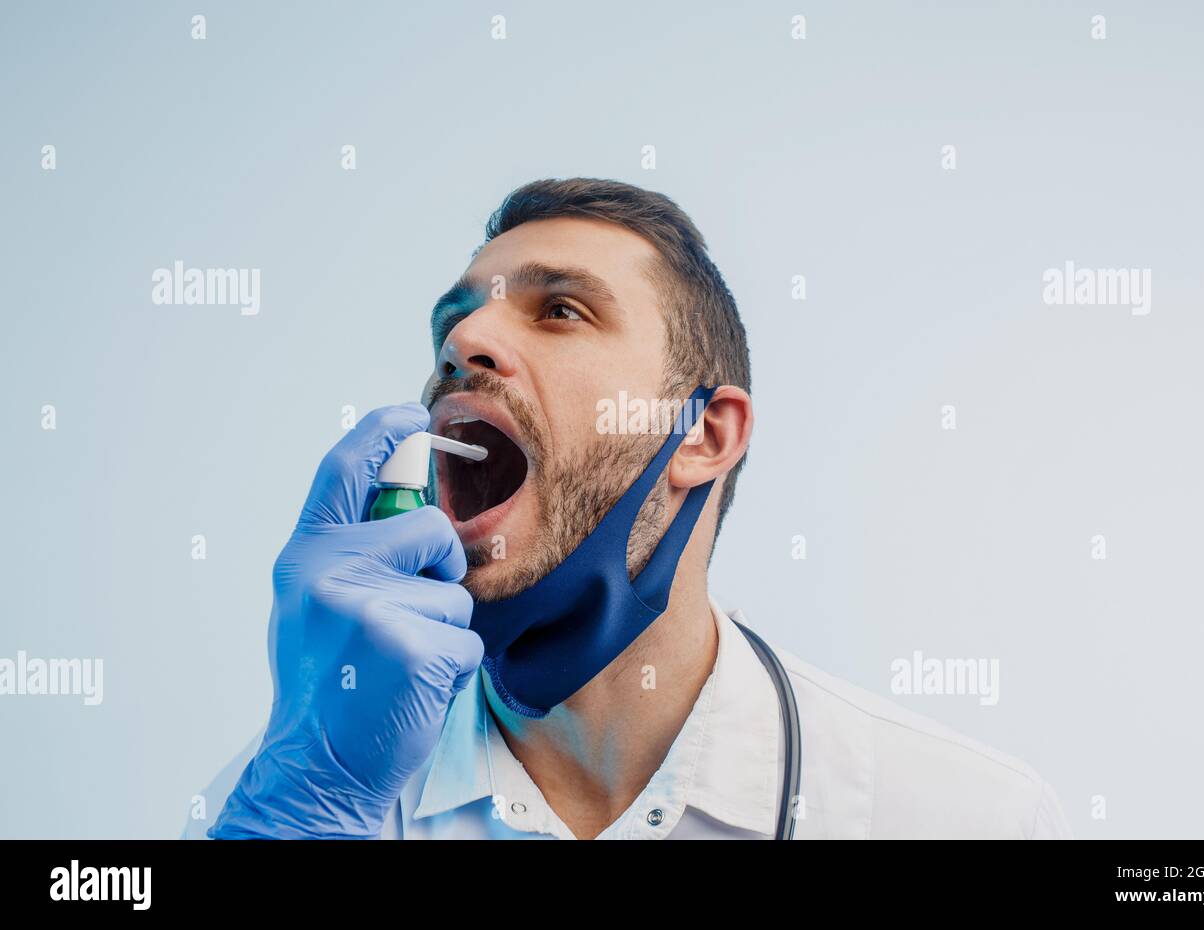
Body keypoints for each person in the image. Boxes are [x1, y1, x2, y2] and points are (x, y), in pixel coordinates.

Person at [183, 178, 1071, 840]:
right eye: (450, 326)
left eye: (560, 310)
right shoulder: (293, 801)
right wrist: (303, 803)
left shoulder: (962, 816)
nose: (464, 343)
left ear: (703, 436)